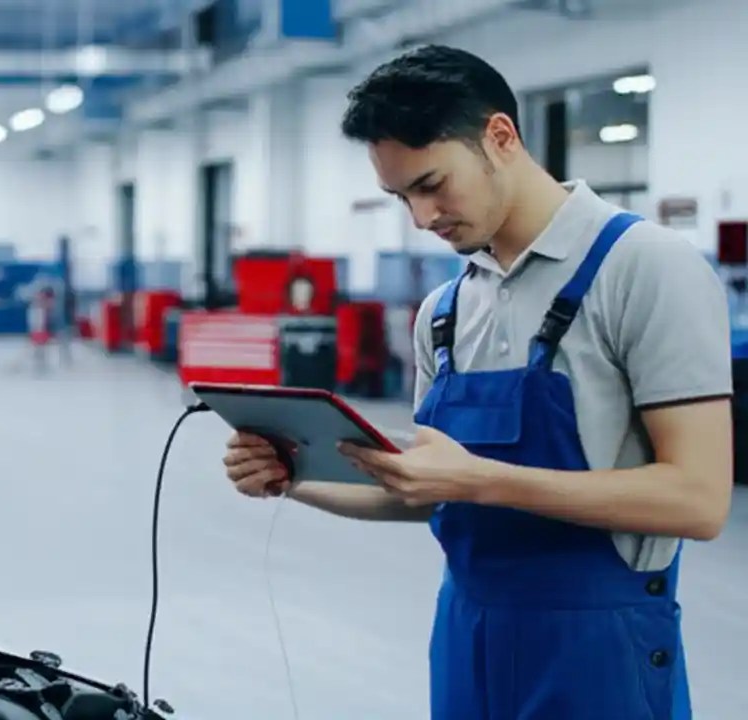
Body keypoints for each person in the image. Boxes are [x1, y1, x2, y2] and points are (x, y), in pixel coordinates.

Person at [223, 44, 733, 720]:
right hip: (467, 640)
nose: (421, 218)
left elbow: (697, 501)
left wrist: (478, 479)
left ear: (500, 137)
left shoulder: (647, 268)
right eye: (400, 196)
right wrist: (296, 476)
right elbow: (431, 493)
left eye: (432, 184)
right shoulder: (445, 312)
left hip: (598, 652)